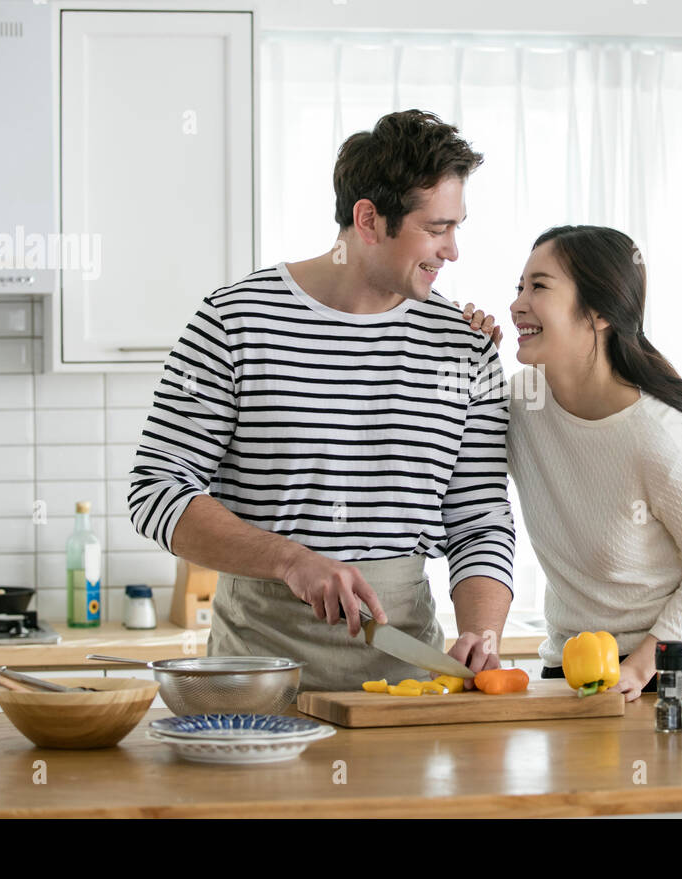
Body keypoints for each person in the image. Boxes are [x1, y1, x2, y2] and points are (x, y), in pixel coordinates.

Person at [128, 110, 515, 691]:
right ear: (368, 219)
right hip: (255, 679)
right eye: (435, 228)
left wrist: (482, 633)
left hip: (407, 682)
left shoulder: (464, 345)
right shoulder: (235, 321)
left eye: (456, 227)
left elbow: (480, 521)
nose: (452, 251)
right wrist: (290, 560)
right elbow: (156, 492)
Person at [461, 225, 682, 701]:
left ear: (599, 313)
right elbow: (447, 448)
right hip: (570, 667)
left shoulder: (657, 436)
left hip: (670, 673)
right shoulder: (522, 403)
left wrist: (640, 664)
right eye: (519, 287)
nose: (517, 304)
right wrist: (466, 355)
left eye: (539, 287)